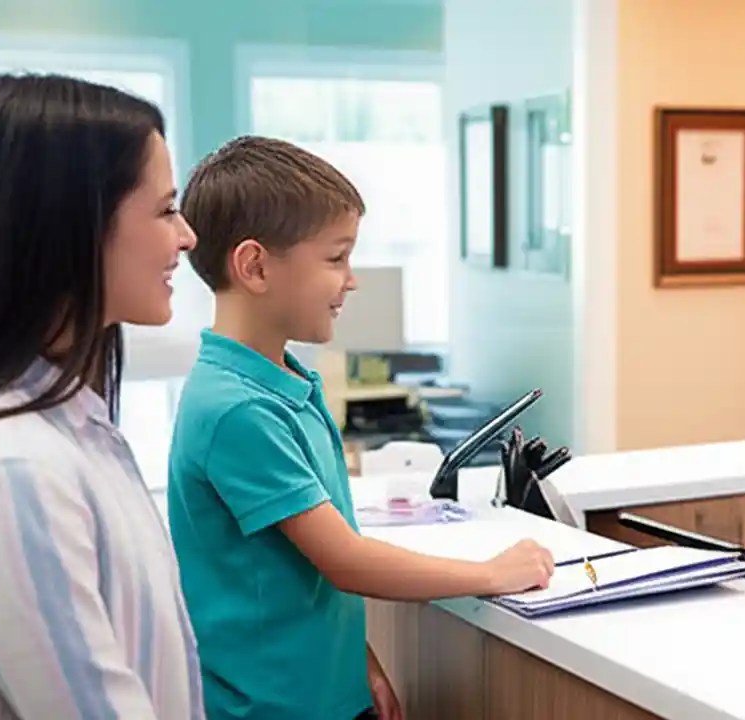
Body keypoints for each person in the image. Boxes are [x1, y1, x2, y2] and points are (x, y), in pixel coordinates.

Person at [167, 136, 556, 720]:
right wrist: (492, 574)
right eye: (335, 258)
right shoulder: (236, 410)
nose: (351, 280)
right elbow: (345, 558)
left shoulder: (282, 381)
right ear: (255, 265)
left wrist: (361, 659)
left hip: (324, 692)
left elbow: (302, 571)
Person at [0, 74, 202, 717]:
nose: (187, 237)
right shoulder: (11, 472)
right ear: (70, 227)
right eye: (166, 210)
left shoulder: (69, 429)